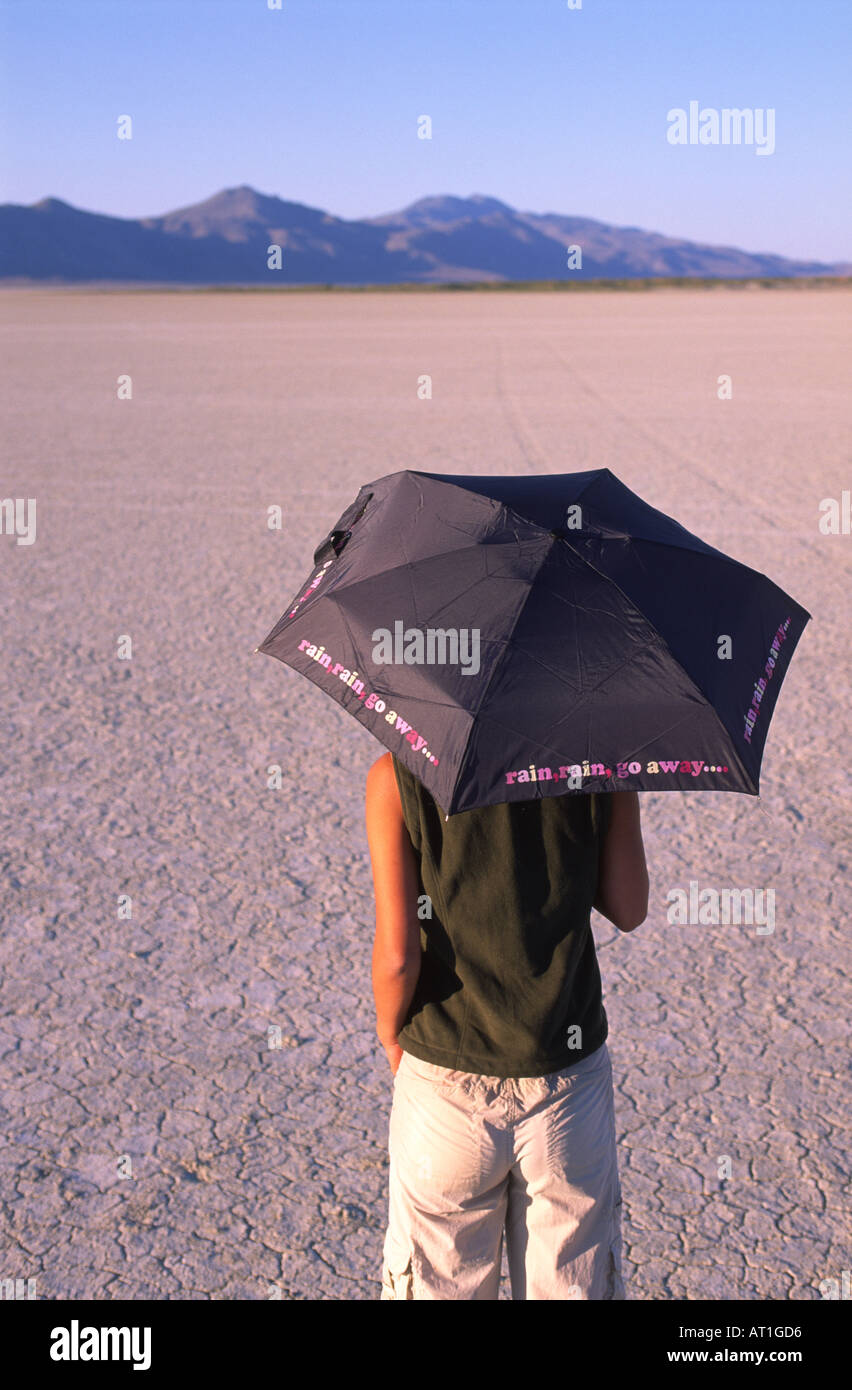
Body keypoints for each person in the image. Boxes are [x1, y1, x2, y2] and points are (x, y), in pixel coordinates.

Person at [365, 750, 649, 1301]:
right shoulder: (599, 764)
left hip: (445, 1080)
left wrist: (389, 1035)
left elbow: (398, 956)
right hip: (567, 1083)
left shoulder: (395, 777)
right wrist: (615, 789)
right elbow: (630, 906)